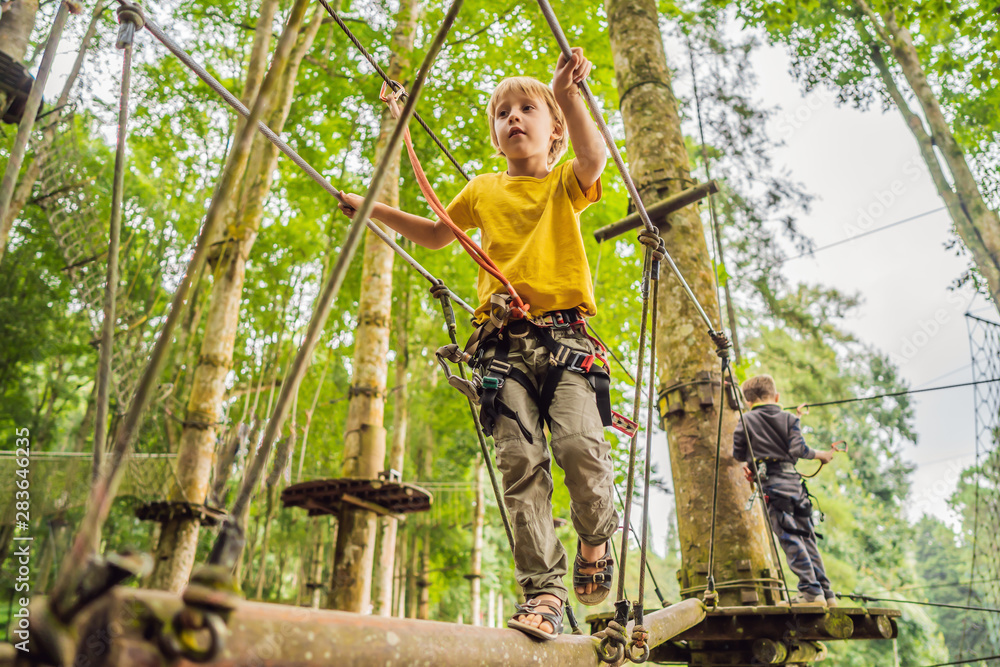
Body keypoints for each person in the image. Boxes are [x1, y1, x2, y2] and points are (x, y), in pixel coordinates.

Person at [338, 48, 618, 640]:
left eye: (527, 109)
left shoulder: (566, 182)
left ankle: (595, 539)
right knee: (520, 468)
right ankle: (543, 591)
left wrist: (567, 91)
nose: (513, 119)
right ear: (495, 135)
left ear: (553, 131)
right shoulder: (483, 189)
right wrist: (374, 210)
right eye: (502, 114)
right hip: (501, 347)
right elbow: (440, 235)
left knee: (579, 449)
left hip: (566, 340)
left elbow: (595, 158)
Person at [732, 374, 837, 607]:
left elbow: (739, 453)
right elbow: (798, 448)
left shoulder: (746, 420)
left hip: (774, 485)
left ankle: (811, 592)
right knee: (807, 537)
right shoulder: (789, 418)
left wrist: (752, 464)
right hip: (796, 486)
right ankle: (828, 595)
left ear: (748, 401)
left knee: (790, 536)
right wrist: (822, 454)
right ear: (776, 396)